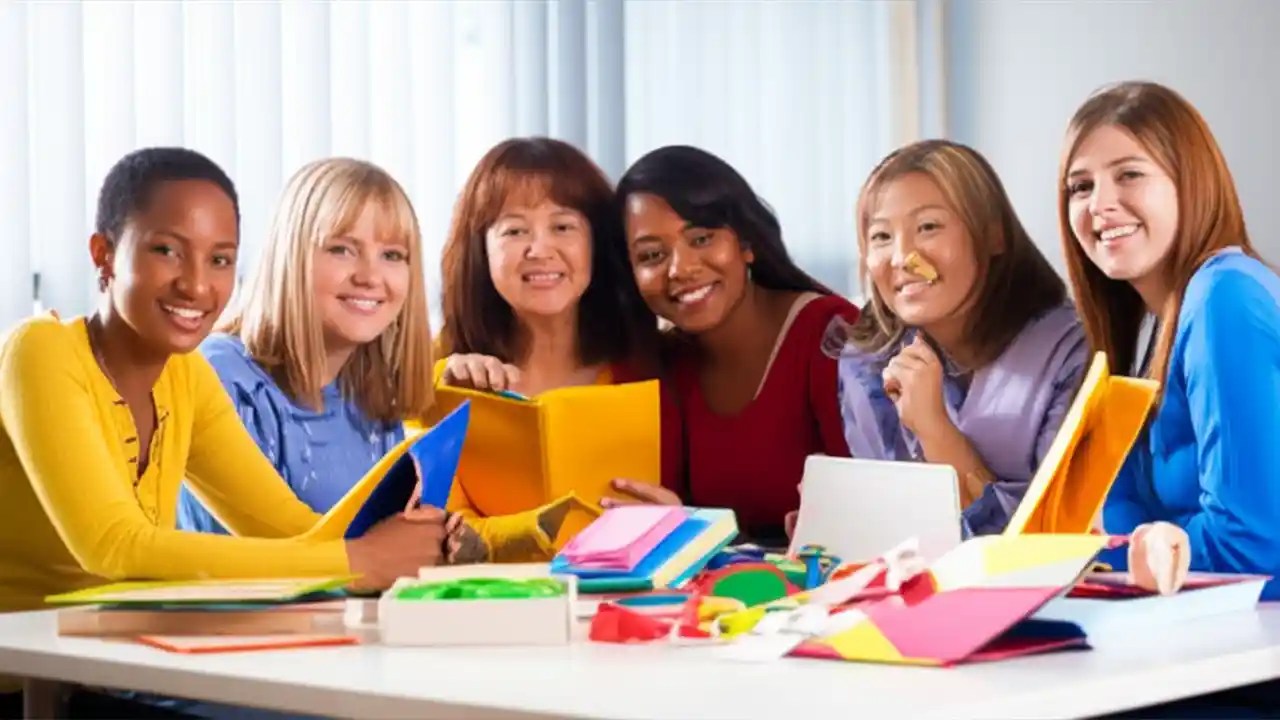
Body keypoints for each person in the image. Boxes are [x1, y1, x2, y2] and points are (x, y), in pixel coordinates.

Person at [0, 149, 447, 712]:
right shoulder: (40, 351)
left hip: (101, 673)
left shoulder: (186, 376)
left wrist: (408, 539)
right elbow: (114, 547)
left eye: (220, 260)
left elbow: (287, 528)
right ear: (105, 254)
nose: (196, 285)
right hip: (25, 679)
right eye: (167, 251)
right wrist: (360, 561)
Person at [173, 157, 478, 560]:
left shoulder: (370, 395)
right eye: (342, 250)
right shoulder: (222, 375)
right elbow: (252, 561)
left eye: (392, 255)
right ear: (291, 258)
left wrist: (440, 541)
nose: (370, 276)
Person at [1060, 81, 1280, 600]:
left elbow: (1254, 545)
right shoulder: (1153, 326)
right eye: (1081, 186)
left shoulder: (1225, 294)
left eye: (1130, 175)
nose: (1100, 204)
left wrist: (1122, 550)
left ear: (1190, 181)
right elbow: (1120, 518)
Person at [834, 139, 1088, 537]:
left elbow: (1044, 541)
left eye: (928, 227)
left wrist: (935, 430)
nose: (902, 257)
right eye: (881, 237)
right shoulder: (867, 361)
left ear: (993, 237)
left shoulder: (1070, 353)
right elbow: (889, 531)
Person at [607, 145, 857, 545]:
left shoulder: (831, 334)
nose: (681, 269)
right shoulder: (663, 364)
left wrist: (697, 533)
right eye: (652, 255)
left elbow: (872, 525)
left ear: (746, 243)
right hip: (719, 599)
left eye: (701, 238)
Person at [429, 137, 660, 561]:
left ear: (597, 242)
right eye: (515, 230)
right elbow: (442, 538)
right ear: (481, 250)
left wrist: (676, 527)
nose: (540, 250)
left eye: (563, 226)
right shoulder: (439, 373)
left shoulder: (652, 365)